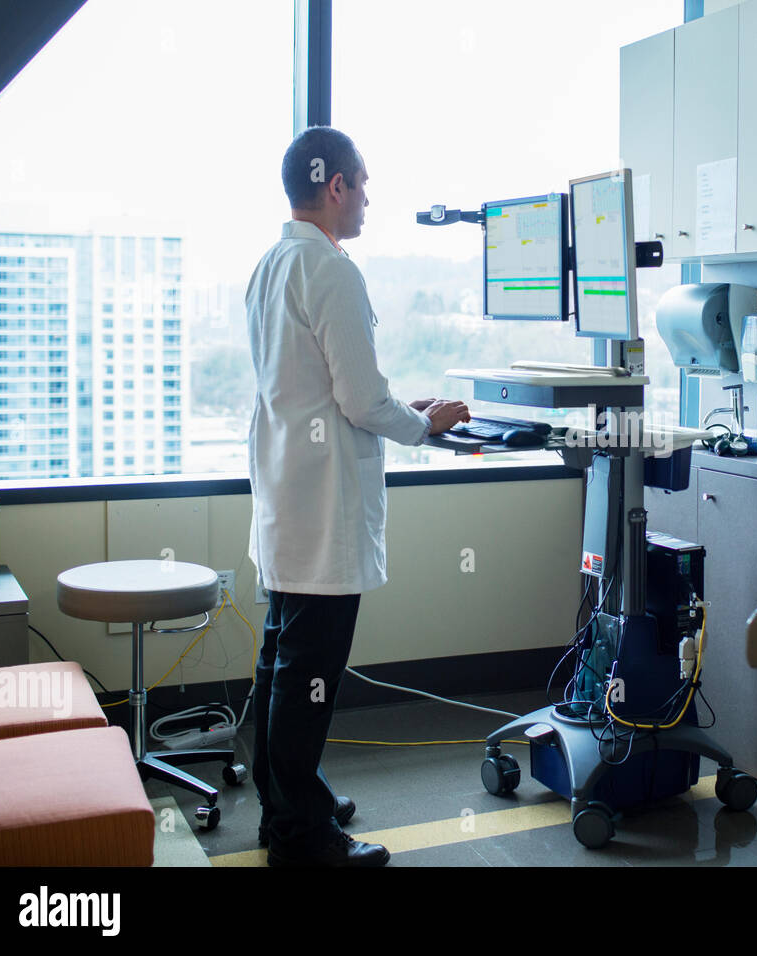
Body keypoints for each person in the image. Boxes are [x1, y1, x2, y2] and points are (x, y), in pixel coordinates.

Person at [245, 125, 470, 866]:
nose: (368, 196)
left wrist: (391, 407)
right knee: (307, 674)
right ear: (334, 185)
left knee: (282, 659)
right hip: (322, 508)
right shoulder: (332, 271)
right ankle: (302, 837)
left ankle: (288, 800)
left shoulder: (271, 265)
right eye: (363, 182)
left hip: (288, 498)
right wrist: (424, 424)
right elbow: (362, 400)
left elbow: (317, 384)